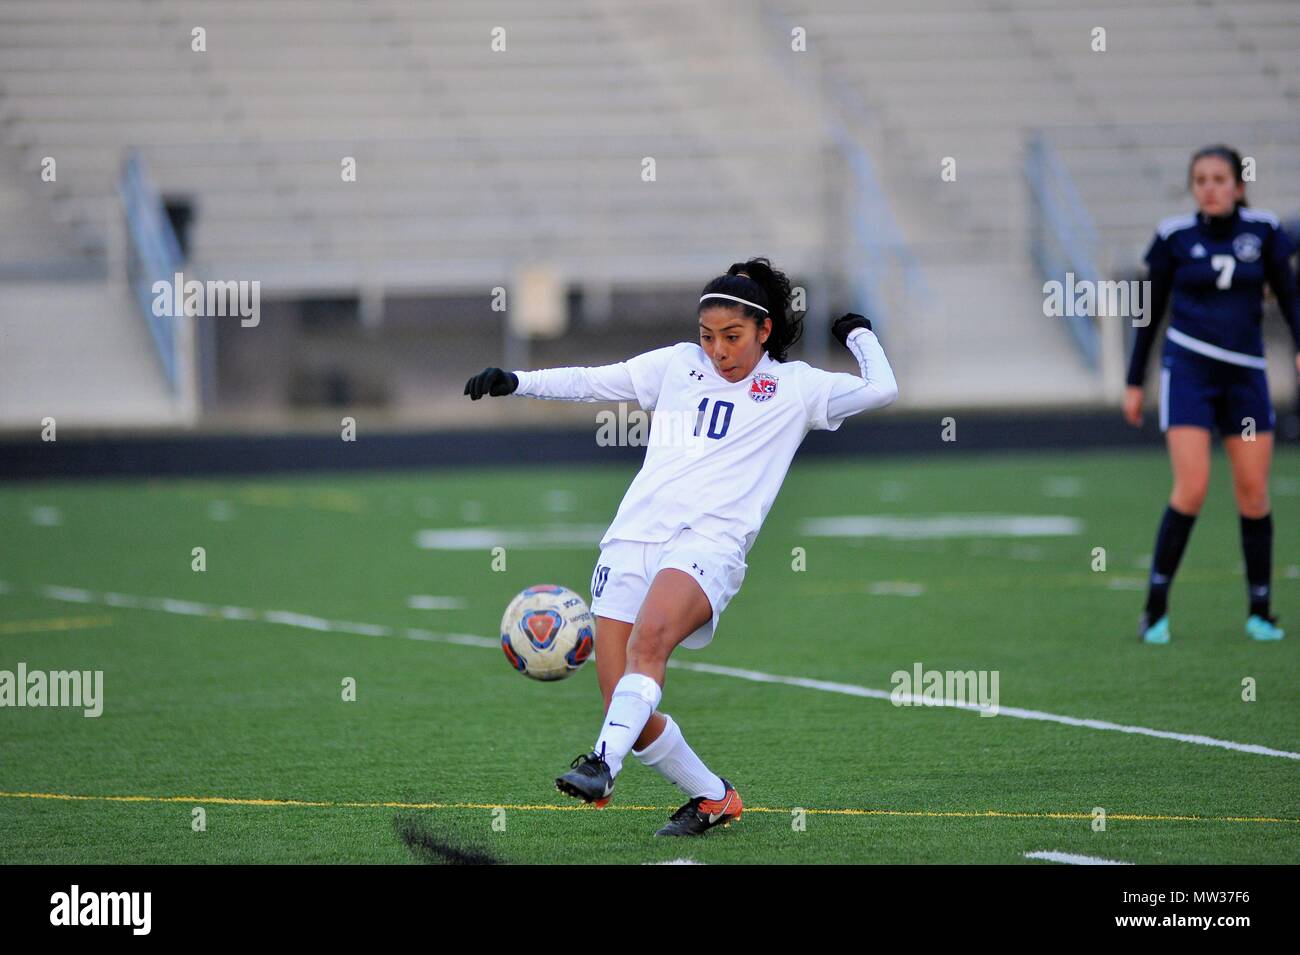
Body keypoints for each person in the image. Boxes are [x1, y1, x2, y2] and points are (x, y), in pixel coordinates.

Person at [464, 257, 898, 835]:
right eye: (708, 336)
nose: (718, 350)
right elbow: (594, 380)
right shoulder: (677, 365)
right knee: (624, 704)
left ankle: (600, 765)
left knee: (649, 646)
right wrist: (518, 381)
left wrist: (859, 334)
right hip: (632, 537)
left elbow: (882, 388)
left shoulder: (796, 388)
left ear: (764, 330)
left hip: (709, 544)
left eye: (732, 337)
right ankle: (713, 797)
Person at [1123, 145, 1300, 644]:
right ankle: (1154, 610)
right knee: (1192, 487)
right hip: (1189, 373)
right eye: (1200, 180)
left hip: (1245, 376)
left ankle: (1260, 611)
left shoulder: (1264, 231)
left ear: (1239, 186)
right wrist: (1135, 380)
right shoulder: (1174, 237)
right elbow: (1148, 313)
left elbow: (1290, 296)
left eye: (1220, 179)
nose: (1209, 188)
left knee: (1254, 492)